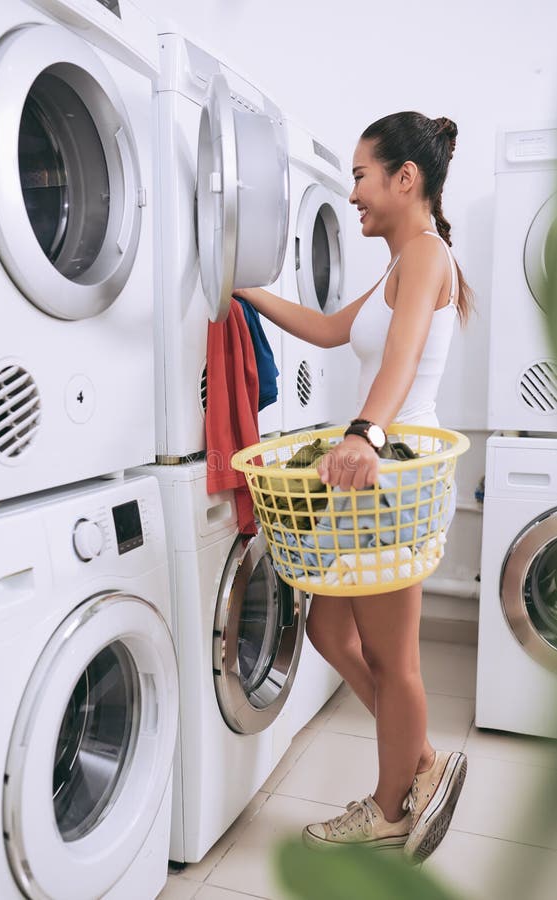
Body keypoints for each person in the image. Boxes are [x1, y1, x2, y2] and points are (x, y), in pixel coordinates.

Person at [234, 111, 474, 862]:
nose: (354, 192)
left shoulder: (428, 253)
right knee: (327, 630)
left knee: (394, 658)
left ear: (407, 179)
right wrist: (242, 290)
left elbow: (399, 361)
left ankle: (388, 806)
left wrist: (364, 432)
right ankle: (423, 761)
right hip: (371, 474)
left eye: (362, 175)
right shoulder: (401, 262)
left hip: (390, 473)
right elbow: (335, 329)